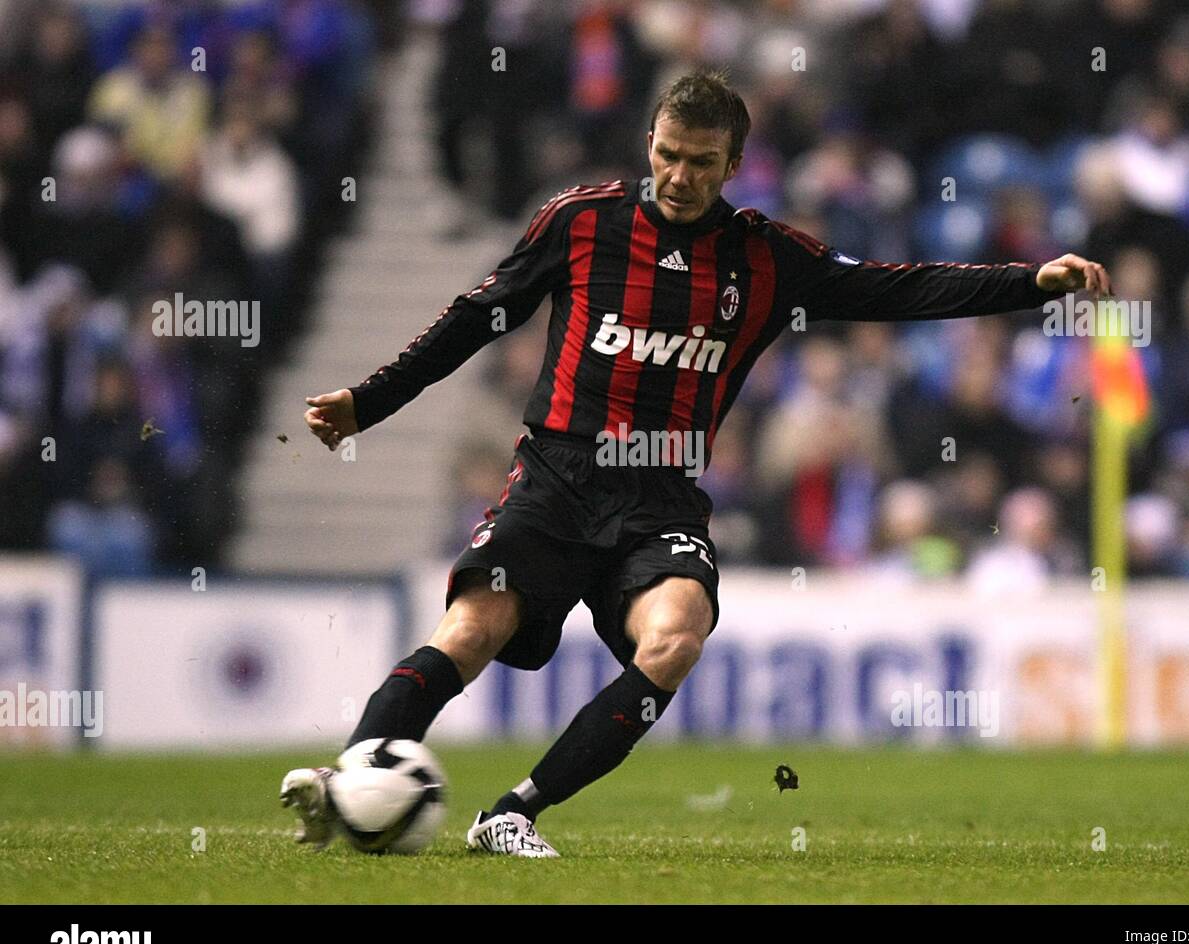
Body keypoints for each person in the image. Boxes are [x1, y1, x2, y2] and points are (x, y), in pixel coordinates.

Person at [281, 70, 1111, 857]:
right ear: (650, 141)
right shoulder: (581, 221)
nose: (679, 175)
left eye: (701, 162)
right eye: (668, 153)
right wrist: (371, 400)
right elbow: (476, 316)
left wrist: (1029, 283)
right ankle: (348, 778)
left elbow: (900, 288)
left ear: (734, 165)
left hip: (661, 498)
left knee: (675, 636)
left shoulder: (766, 259)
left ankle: (512, 814)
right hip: (556, 477)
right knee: (473, 628)